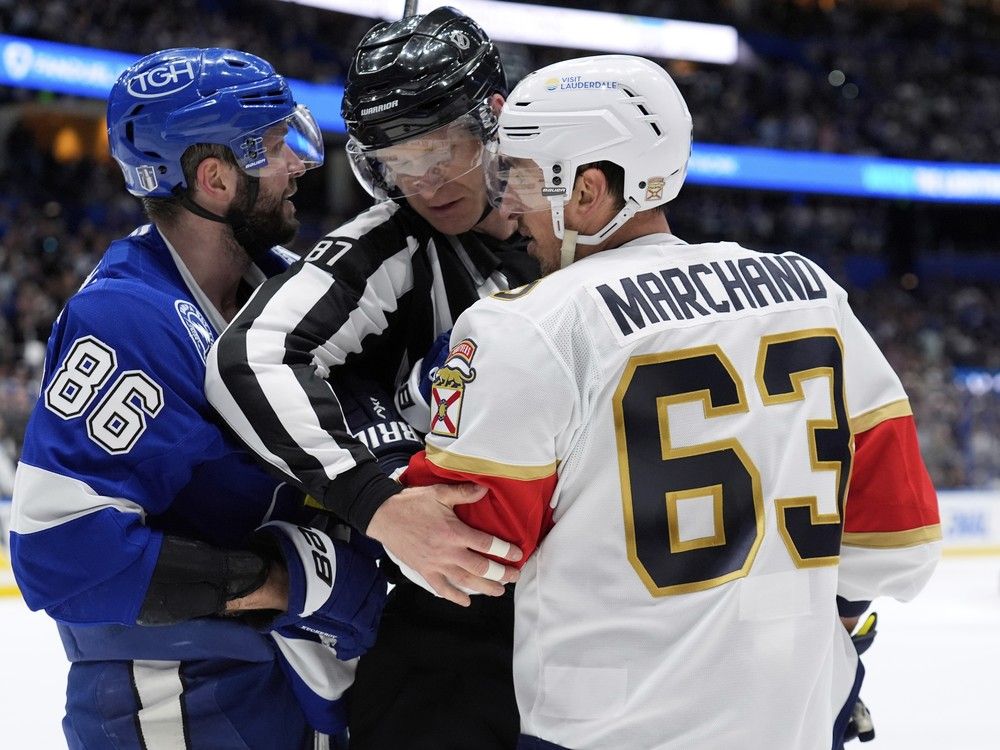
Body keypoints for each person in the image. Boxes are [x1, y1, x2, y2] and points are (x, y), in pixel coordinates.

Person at [399, 54, 943, 750]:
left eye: (523, 180)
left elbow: (463, 557)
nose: (507, 205)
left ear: (589, 190)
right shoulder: (812, 293)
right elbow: (902, 539)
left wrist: (386, 479)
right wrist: (811, 627)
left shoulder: (527, 324)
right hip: (796, 718)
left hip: (609, 726)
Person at [8, 48, 388, 750]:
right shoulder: (130, 321)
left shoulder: (282, 285)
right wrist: (285, 580)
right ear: (214, 179)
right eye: (279, 146)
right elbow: (61, 554)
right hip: (178, 704)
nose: (303, 161)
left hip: (288, 689)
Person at [205, 7, 538, 749]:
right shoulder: (391, 246)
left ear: (493, 120)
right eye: (396, 162)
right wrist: (377, 504)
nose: (422, 182)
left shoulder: (574, 230)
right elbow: (248, 357)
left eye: (439, 151)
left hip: (583, 615)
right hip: (450, 632)